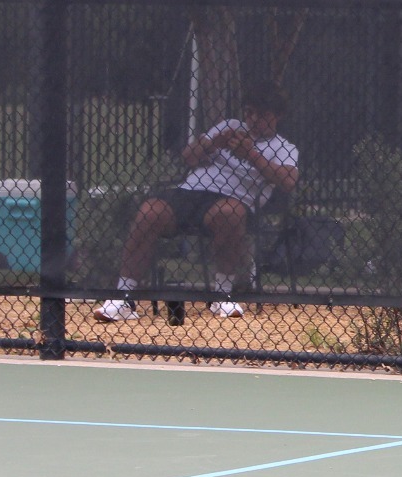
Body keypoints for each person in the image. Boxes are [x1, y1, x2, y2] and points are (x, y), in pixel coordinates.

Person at [94, 85, 299, 322]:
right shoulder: (230, 126)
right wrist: (213, 143)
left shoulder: (284, 147)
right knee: (149, 211)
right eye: (249, 113)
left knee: (229, 214)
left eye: (261, 115)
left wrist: (251, 154)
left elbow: (288, 181)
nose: (253, 120)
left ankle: (222, 296)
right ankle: (123, 298)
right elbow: (189, 157)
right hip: (190, 190)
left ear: (278, 116)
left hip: (234, 199)